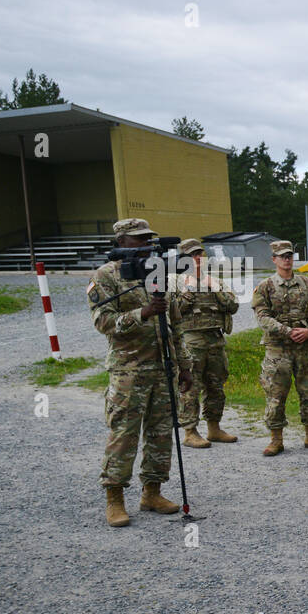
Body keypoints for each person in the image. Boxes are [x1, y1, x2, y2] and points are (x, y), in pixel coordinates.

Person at [88, 218, 193, 526]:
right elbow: (102, 321)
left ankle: (152, 492)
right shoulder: (105, 275)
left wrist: (184, 366)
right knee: (124, 434)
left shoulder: (158, 271)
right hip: (128, 370)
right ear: (121, 242)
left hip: (163, 369)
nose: (147, 244)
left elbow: (176, 326)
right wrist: (142, 313)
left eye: (149, 238)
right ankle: (115, 498)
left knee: (161, 434)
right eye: (139, 239)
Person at [251, 240, 308, 456]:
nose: (287, 259)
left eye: (289, 255)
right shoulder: (265, 287)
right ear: (274, 260)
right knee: (276, 395)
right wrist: (287, 331)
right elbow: (263, 318)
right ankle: (276, 439)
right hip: (278, 351)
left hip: (305, 349)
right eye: (282, 256)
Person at [174, 237, 239, 448]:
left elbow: (233, 305)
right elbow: (172, 312)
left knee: (216, 386)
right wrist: (190, 290)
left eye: (200, 254)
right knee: (191, 387)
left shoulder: (215, 280)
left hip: (215, 340)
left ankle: (214, 428)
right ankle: (190, 431)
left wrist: (215, 288)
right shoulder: (174, 281)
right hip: (191, 342)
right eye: (192, 255)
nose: (198, 258)